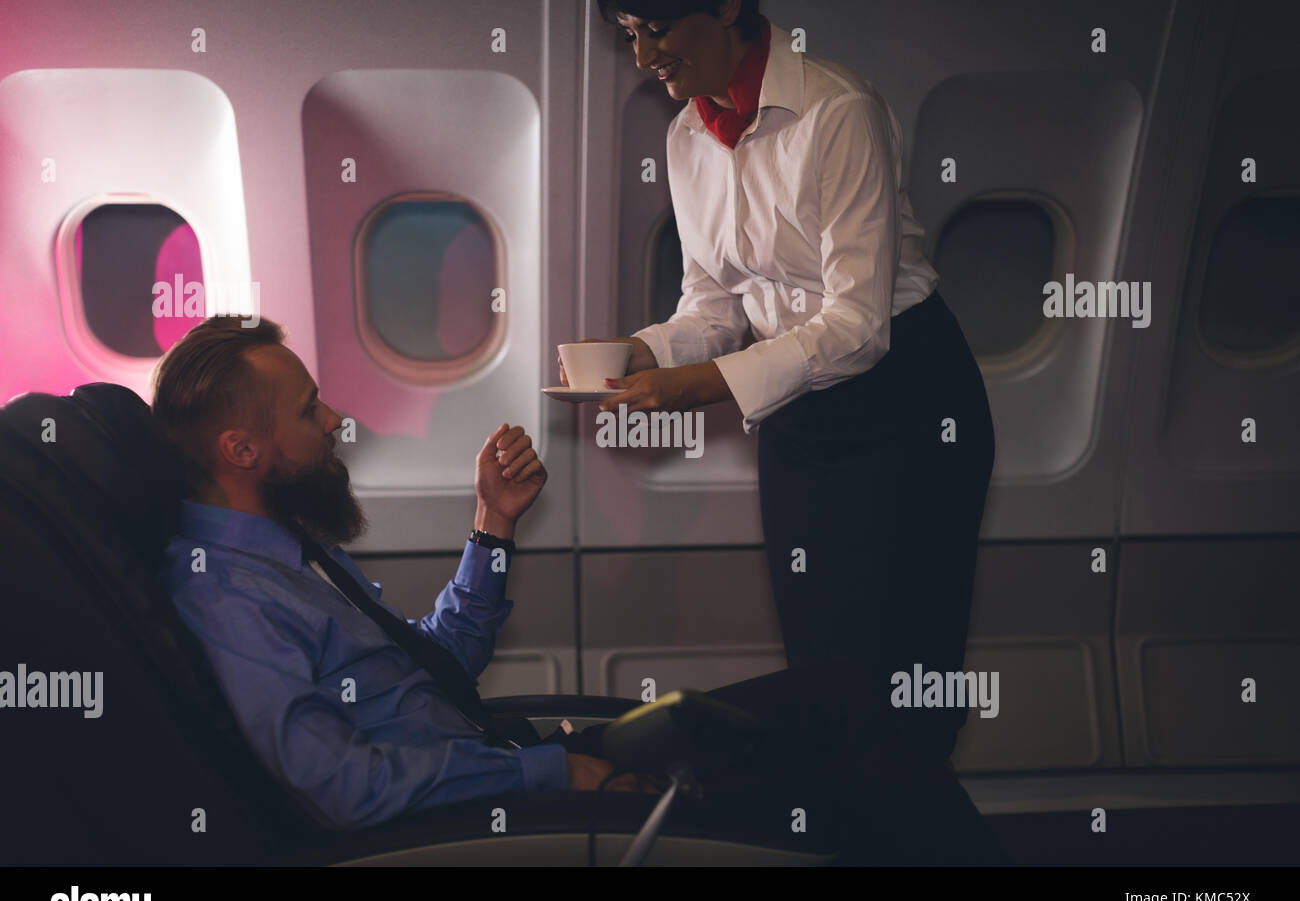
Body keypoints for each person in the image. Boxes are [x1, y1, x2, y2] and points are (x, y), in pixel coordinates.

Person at [151, 315, 1005, 863]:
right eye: (309, 410)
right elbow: (342, 793)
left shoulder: (281, 555)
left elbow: (437, 669)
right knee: (851, 759)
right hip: (479, 820)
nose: (335, 419)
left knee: (849, 707)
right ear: (241, 450)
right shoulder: (227, 597)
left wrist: (492, 524)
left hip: (507, 766)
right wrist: (554, 774)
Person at [568, 0, 997, 765]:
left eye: (656, 29)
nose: (642, 57)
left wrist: (702, 385)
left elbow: (860, 325)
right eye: (628, 35)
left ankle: (923, 830)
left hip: (909, 404)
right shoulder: (687, 135)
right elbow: (715, 301)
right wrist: (643, 352)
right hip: (798, 410)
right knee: (825, 673)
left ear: (725, 7)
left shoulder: (837, 109)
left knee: (905, 673)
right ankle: (848, 830)